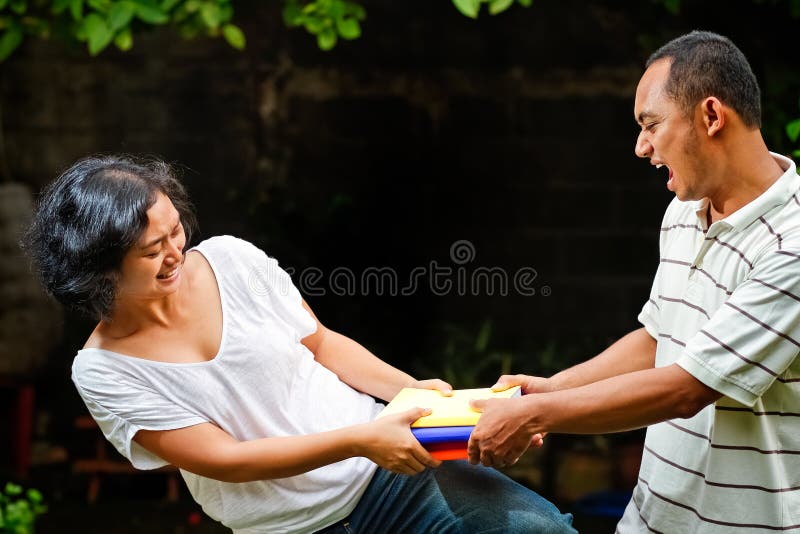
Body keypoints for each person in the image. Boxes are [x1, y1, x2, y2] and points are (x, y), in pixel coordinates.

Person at [23, 155, 575, 533]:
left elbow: (323, 344)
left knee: (539, 527)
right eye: (151, 249)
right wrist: (361, 439)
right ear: (99, 267)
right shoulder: (104, 371)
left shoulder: (232, 260)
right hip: (289, 524)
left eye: (175, 231)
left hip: (389, 478)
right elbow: (226, 460)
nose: (175, 251)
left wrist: (419, 397)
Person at [467, 30, 800, 532]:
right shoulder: (683, 212)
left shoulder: (790, 243)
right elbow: (656, 338)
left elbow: (687, 388)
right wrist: (549, 390)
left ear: (711, 117)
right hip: (649, 516)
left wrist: (539, 416)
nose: (641, 147)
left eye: (651, 125)